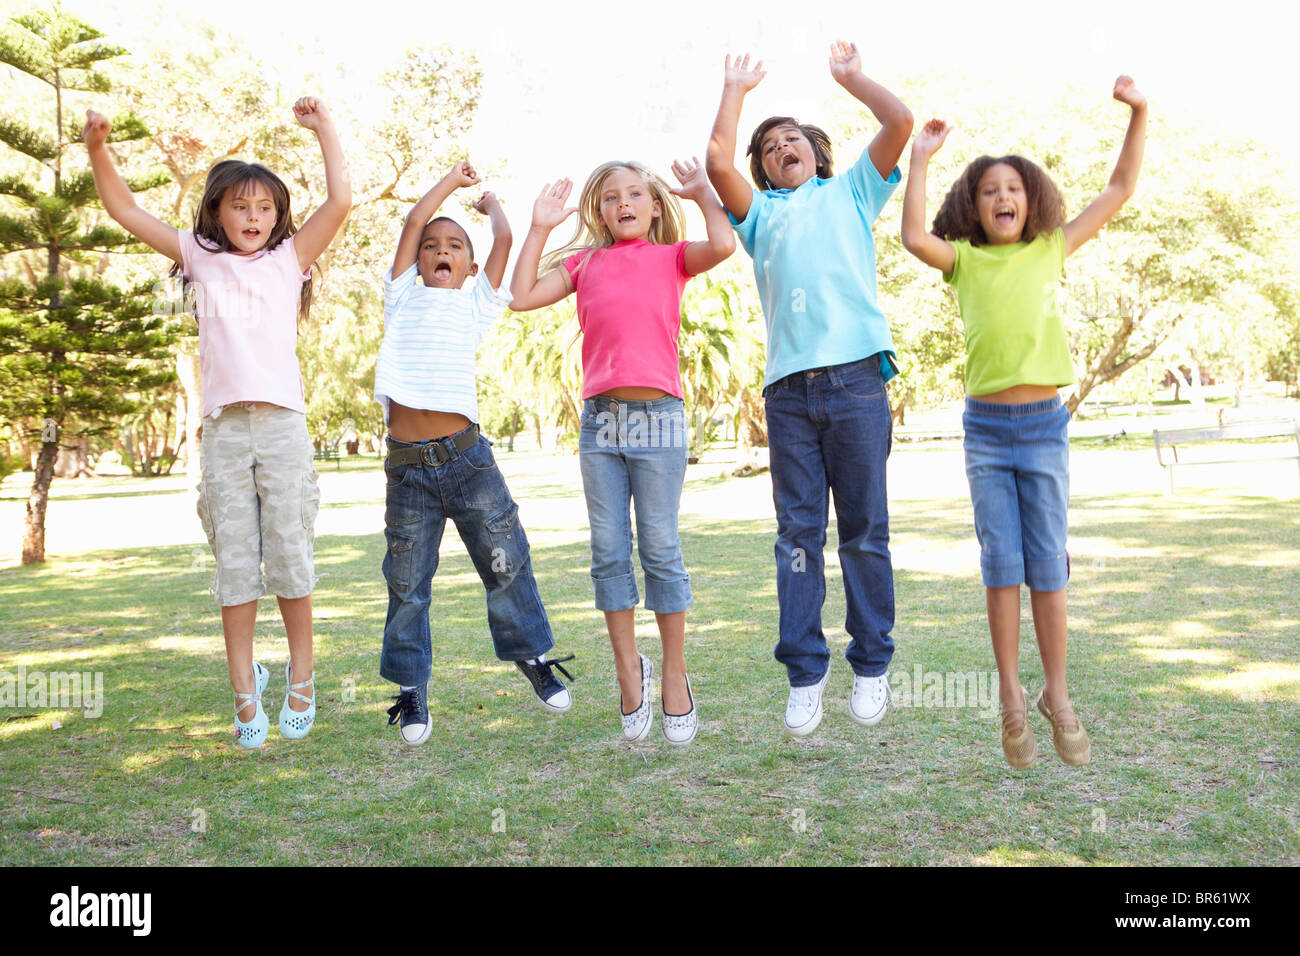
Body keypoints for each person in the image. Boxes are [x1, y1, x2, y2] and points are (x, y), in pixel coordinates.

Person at [83, 98, 351, 748]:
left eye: (264, 208)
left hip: (283, 428)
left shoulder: (290, 259)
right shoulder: (198, 256)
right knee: (235, 564)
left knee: (289, 555)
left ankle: (302, 678)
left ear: (278, 217)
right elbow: (123, 210)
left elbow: (342, 200)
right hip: (225, 432)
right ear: (217, 212)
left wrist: (323, 128)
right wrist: (97, 149)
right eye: (240, 206)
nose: (253, 217)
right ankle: (242, 689)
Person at [900, 76, 1147, 767]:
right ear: (973, 208)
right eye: (988, 191)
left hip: (1043, 428)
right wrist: (920, 155)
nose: (1002, 197)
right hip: (986, 432)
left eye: (1013, 188)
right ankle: (1011, 697)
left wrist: (1140, 111)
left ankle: (1057, 695)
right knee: (1001, 564)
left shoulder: (1052, 249)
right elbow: (913, 233)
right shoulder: (965, 262)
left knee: (1048, 567)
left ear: (1030, 200)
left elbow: (1120, 189)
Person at [705, 43, 913, 736]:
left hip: (856, 381)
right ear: (763, 168)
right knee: (797, 534)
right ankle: (805, 671)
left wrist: (854, 78)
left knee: (863, 530)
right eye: (767, 147)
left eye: (791, 138)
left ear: (816, 154)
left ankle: (872, 662)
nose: (779, 147)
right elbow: (716, 164)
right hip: (790, 396)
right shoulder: (760, 217)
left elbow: (899, 122)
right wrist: (735, 90)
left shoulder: (853, 191)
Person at [510, 157, 734, 744]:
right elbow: (522, 295)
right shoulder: (584, 263)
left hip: (658, 418)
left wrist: (703, 192)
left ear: (655, 205)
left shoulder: (672, 257)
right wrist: (539, 228)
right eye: (612, 197)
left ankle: (677, 676)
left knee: (659, 546)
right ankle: (628, 671)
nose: (625, 204)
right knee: (609, 551)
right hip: (602, 424)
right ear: (598, 211)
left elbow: (725, 243)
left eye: (636, 194)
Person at [376, 161, 574, 747]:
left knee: (505, 558)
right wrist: (451, 184)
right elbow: (415, 217)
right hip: (408, 467)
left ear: (467, 264)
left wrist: (491, 210)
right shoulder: (402, 294)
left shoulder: (476, 305)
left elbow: (507, 241)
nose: (441, 249)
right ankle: (411, 691)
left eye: (455, 246)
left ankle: (532, 655)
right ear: (416, 260)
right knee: (407, 582)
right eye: (433, 245)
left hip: (468, 461)